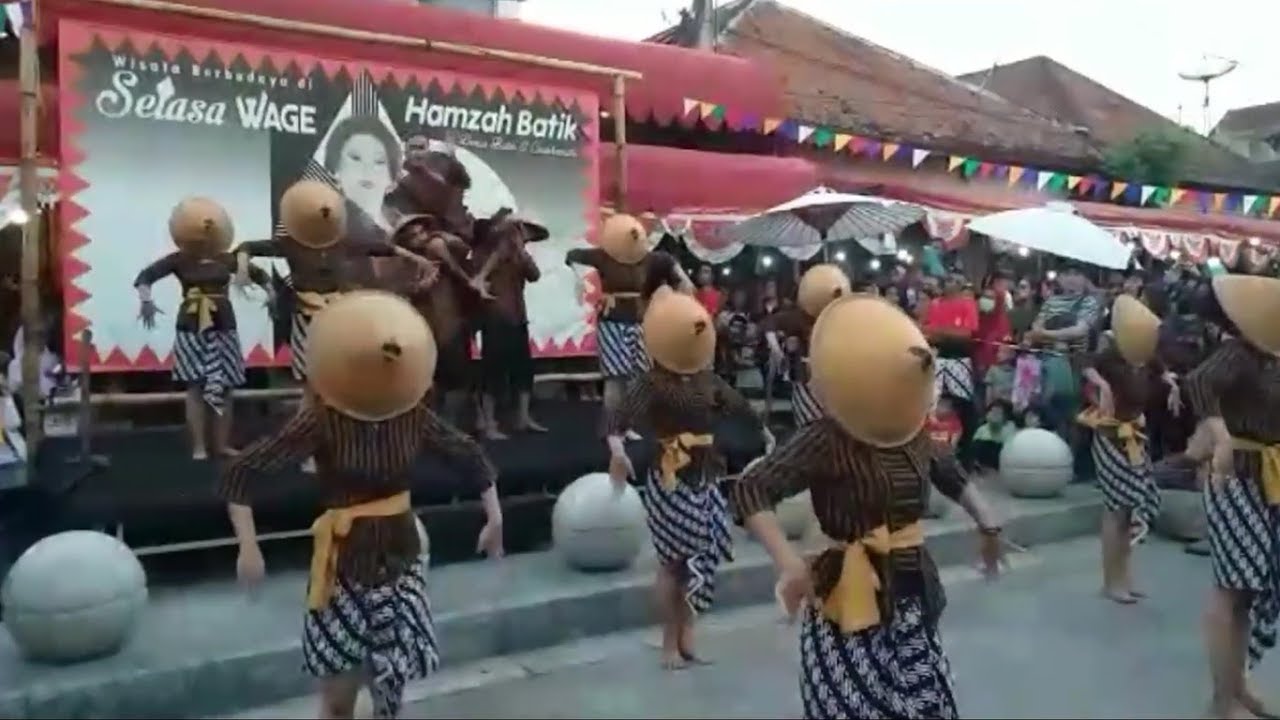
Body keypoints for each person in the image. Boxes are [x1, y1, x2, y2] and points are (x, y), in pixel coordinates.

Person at [220, 291, 503, 720]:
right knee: (338, 701)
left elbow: (470, 456)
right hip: (342, 569)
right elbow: (241, 473)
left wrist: (495, 516)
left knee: (390, 690)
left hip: (400, 559)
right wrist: (248, 546)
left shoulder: (411, 414)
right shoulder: (323, 418)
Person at [727, 293, 1003, 719]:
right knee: (850, 707)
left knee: (928, 705)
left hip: (910, 588)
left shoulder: (909, 431)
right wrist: (789, 563)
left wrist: (988, 522)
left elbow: (949, 473)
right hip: (847, 596)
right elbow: (751, 490)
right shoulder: (827, 438)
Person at [606, 286, 774, 670]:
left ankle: (688, 638)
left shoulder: (707, 379)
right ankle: (668, 643)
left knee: (699, 559)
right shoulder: (650, 383)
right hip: (669, 476)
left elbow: (741, 407)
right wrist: (617, 452)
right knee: (673, 562)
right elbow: (617, 419)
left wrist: (764, 432)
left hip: (707, 474)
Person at [1184, 274, 1280, 720]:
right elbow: (1199, 382)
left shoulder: (1270, 356)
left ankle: (1236, 686)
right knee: (1232, 587)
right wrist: (1219, 435)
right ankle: (1223, 701)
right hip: (1236, 478)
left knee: (1248, 590)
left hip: (1268, 480)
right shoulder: (1240, 352)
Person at [234, 181, 431, 382]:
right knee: (307, 369)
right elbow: (247, 247)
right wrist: (242, 271)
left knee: (339, 364)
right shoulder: (290, 245)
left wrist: (417, 258)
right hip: (306, 311)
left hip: (337, 312)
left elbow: (382, 247)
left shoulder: (342, 243)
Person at [135, 197, 274, 460]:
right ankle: (199, 445)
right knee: (196, 386)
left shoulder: (226, 259)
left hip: (225, 327)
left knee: (227, 386)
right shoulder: (180, 259)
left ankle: (221, 443)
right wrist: (146, 300)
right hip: (191, 327)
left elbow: (261, 276)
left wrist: (270, 293)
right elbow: (146, 276)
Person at [1078, 295, 1176, 603]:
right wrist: (1103, 386)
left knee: (1130, 509)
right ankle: (1111, 580)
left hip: (1135, 436)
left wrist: (1172, 385)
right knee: (1115, 509)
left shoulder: (1147, 357)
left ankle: (1124, 576)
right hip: (1110, 436)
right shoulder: (1111, 354)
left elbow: (1164, 373)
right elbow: (1083, 363)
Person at [565, 213, 690, 436]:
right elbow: (571, 255)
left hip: (639, 322)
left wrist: (678, 293)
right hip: (612, 323)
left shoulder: (651, 259)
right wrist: (579, 280)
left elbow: (677, 274)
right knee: (615, 379)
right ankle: (612, 429)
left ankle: (627, 425)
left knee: (637, 379)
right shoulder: (604, 257)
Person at [471, 208, 549, 439]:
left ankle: (522, 417)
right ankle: (489, 423)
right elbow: (483, 272)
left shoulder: (518, 255)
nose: (522, 234)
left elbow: (535, 275)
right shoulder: (488, 252)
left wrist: (521, 251)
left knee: (523, 369)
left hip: (517, 317)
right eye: (519, 229)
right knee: (493, 371)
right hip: (495, 316)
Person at [763, 264, 851, 428]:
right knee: (811, 426)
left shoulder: (843, 318)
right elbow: (769, 325)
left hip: (835, 380)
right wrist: (777, 350)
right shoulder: (798, 318)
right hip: (806, 379)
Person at [923, 273, 980, 465]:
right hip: (938, 358)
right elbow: (927, 333)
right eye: (948, 280)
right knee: (929, 406)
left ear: (963, 285)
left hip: (960, 360)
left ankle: (967, 457)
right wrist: (947, 333)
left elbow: (966, 334)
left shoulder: (967, 304)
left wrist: (940, 332)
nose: (951, 284)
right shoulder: (935, 304)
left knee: (966, 408)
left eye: (956, 281)